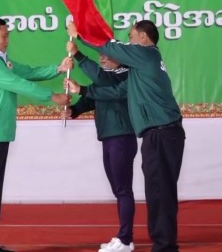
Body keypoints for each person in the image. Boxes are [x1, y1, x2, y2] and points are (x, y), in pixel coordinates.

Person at [65, 20, 185, 252]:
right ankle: (165, 245)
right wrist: (81, 95)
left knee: (159, 192)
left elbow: (110, 49)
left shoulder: (145, 54)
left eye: (131, 37)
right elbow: (114, 91)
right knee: (160, 192)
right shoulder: (140, 69)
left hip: (161, 132)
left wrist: (79, 35)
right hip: (161, 134)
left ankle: (162, 247)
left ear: (143, 37)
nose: (129, 42)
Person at [0, 17, 73, 252]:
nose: (7, 40)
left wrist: (58, 68)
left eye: (8, 35)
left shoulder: (0, 59)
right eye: (4, 36)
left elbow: (26, 72)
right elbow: (17, 83)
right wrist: (52, 97)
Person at [66, 41, 136, 252]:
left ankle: (125, 239)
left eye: (106, 55)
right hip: (108, 138)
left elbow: (103, 88)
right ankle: (125, 238)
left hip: (122, 138)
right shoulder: (106, 78)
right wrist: (74, 110)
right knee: (118, 190)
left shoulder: (127, 76)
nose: (102, 58)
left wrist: (78, 55)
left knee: (123, 190)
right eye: (100, 55)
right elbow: (93, 98)